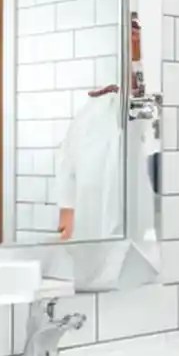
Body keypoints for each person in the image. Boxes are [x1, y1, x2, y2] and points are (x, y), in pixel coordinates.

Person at [56, 84, 124, 242]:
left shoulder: (127, 132)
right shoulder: (89, 123)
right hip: (89, 224)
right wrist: (67, 210)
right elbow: (68, 170)